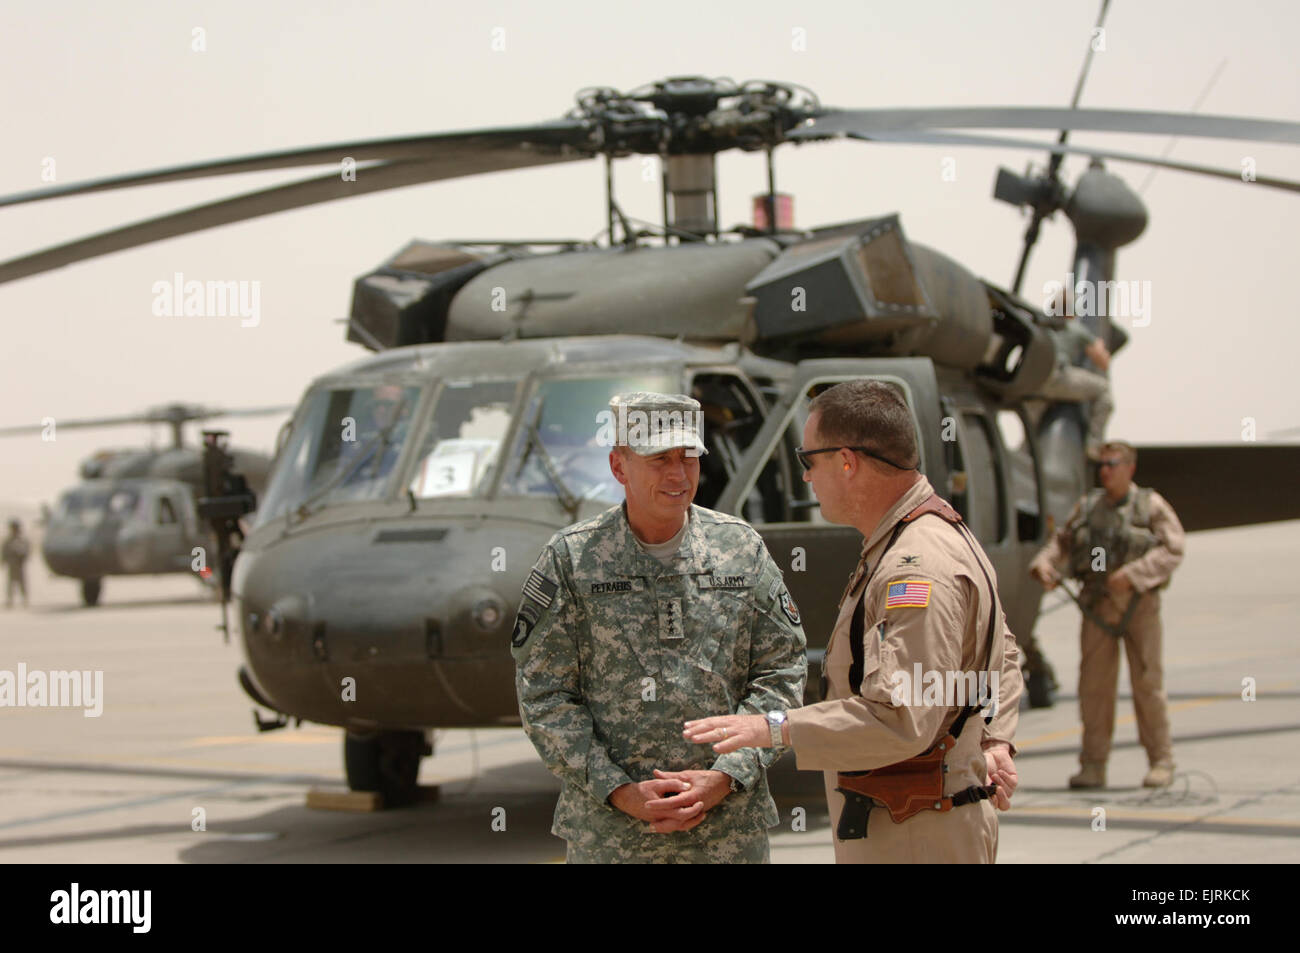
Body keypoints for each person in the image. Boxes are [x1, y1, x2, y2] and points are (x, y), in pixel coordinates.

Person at [683, 379, 1023, 864]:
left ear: (846, 462)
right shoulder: (929, 534)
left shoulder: (916, 564)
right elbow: (1002, 654)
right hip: (918, 819)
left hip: (913, 833)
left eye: (808, 461)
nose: (805, 478)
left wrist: (773, 727)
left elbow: (902, 717)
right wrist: (994, 741)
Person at [511, 392, 806, 863]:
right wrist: (620, 790)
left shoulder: (740, 549)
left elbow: (781, 674)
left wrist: (725, 775)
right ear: (619, 466)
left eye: (689, 457)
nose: (678, 474)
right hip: (611, 837)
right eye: (659, 458)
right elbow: (544, 695)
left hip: (726, 833)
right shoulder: (572, 559)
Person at [1029, 440, 1184, 789]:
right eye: (1102, 464)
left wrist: (1134, 575)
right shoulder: (1088, 507)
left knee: (1147, 685)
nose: (1105, 470)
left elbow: (1174, 548)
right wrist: (1044, 564)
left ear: (1130, 468)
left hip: (1138, 607)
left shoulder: (1150, 506)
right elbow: (1062, 543)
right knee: (1094, 689)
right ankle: (1093, 764)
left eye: (1113, 463)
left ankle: (1161, 760)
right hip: (1096, 607)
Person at [1036, 298, 1114, 459]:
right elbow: (1103, 361)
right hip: (1058, 380)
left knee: (1031, 428)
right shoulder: (1075, 329)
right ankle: (1093, 445)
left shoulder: (1041, 326)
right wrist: (1098, 343)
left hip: (1035, 384)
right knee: (1104, 391)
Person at [3, 519, 30, 608]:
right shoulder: (8, 540)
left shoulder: (21, 540)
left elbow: (27, 551)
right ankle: (10, 600)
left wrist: (23, 557)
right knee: (10, 584)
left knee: (22, 583)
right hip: (12, 564)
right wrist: (4, 561)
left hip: (20, 565)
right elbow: (4, 551)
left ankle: (24, 599)